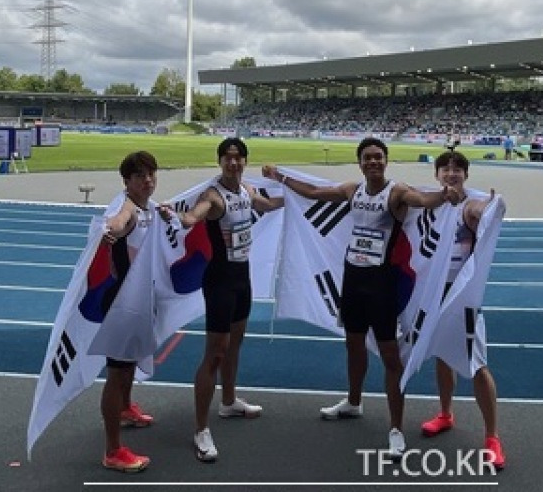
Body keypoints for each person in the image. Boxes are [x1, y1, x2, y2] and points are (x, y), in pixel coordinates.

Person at [262, 137, 459, 459]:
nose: (373, 162)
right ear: (360, 163)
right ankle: (353, 402)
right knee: (353, 344)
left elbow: (423, 199)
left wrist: (444, 195)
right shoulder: (352, 190)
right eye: (367, 157)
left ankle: (396, 429)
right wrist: (280, 177)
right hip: (353, 280)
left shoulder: (396, 192)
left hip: (382, 285)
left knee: (390, 357)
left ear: (386, 160)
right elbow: (313, 193)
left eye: (378, 157)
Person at [168, 138, 284, 463]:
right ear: (220, 162)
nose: (233, 163)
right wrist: (179, 217)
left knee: (235, 344)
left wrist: (295, 196)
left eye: (238, 158)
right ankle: (201, 429)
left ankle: (229, 402)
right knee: (215, 353)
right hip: (219, 282)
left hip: (242, 280)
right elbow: (194, 216)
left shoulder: (246, 190)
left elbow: (267, 205)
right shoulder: (214, 196)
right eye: (227, 158)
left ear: (245, 161)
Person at [417, 150, 506, 470]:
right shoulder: (430, 204)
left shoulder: (468, 205)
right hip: (435, 295)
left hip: (462, 297)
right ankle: (445, 413)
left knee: (477, 366)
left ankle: (492, 436)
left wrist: (491, 207)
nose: (451, 173)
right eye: (445, 168)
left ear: (466, 175)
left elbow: (478, 211)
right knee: (443, 357)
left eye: (457, 169)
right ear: (437, 174)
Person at [98, 150, 164, 473]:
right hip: (121, 304)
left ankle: (125, 408)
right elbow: (120, 221)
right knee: (117, 372)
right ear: (127, 181)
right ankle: (113, 451)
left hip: (139, 300)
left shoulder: (150, 207)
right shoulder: (127, 208)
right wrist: (111, 228)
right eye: (140, 176)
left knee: (129, 365)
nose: (147, 180)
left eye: (151, 174)